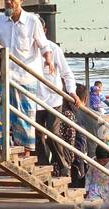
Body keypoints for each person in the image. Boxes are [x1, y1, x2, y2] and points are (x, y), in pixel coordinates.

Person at [0, 0, 53, 152]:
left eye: (12, 0)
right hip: (6, 77)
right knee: (3, 118)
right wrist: (0, 71)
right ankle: (4, 150)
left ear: (21, 1)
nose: (8, 2)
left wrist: (49, 60)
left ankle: (25, 154)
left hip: (26, 79)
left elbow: (44, 45)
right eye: (6, 0)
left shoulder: (32, 20)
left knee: (25, 121)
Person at [34, 36, 76, 176]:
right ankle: (43, 166)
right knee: (37, 134)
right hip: (34, 97)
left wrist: (72, 92)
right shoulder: (27, 48)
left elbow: (66, 73)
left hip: (53, 98)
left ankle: (63, 165)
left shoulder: (53, 48)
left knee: (52, 132)